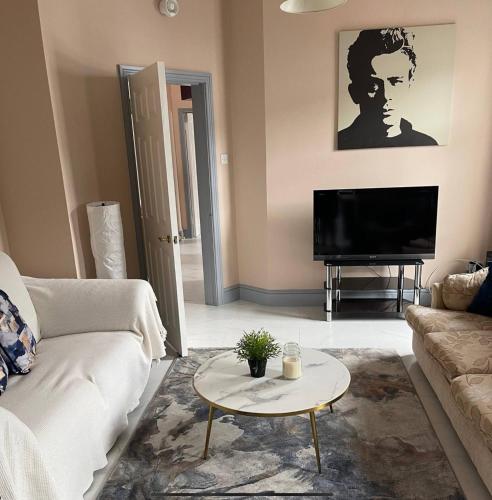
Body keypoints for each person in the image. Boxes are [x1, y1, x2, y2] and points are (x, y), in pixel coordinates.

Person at [338, 28, 438, 150]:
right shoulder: (342, 143)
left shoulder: (427, 145)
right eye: (373, 86)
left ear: (410, 86)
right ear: (354, 93)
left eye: (396, 82)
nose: (386, 96)